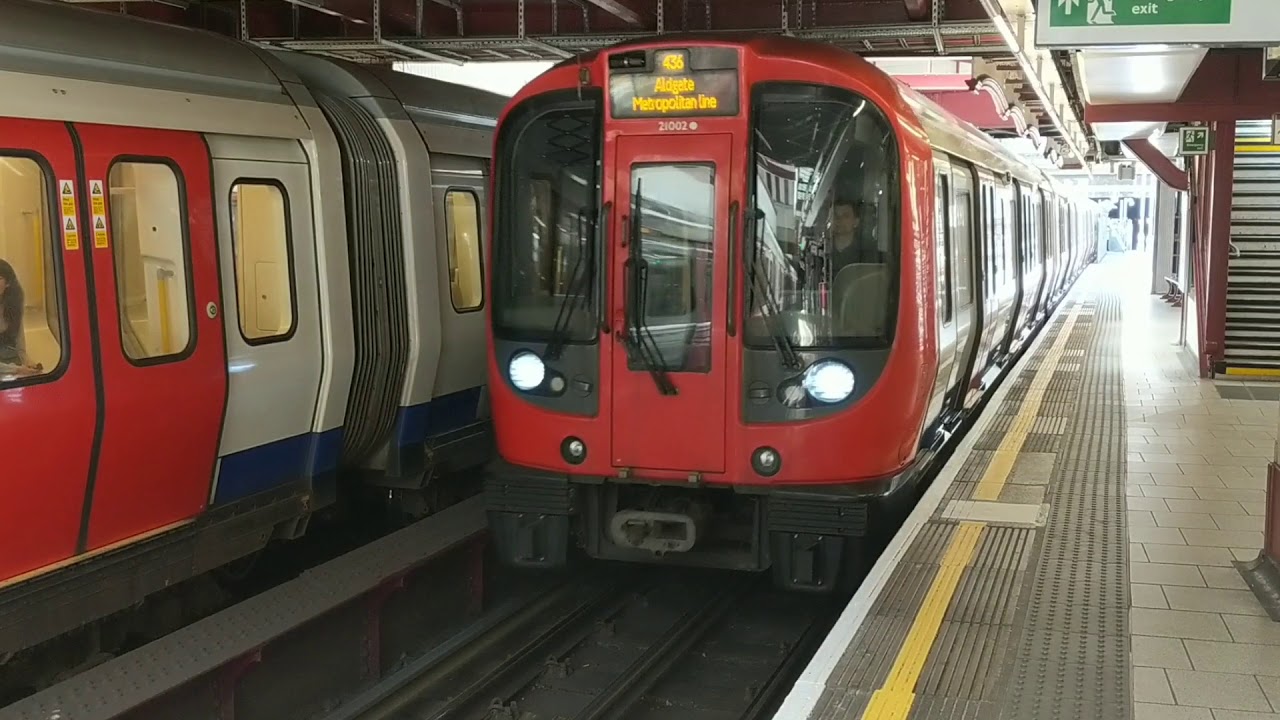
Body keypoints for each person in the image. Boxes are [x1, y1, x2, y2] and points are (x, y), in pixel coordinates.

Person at [0, 259, 41, 378]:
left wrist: (27, 362)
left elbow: (19, 341)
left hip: (7, 357)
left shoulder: (12, 304)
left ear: (8, 283)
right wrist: (15, 370)